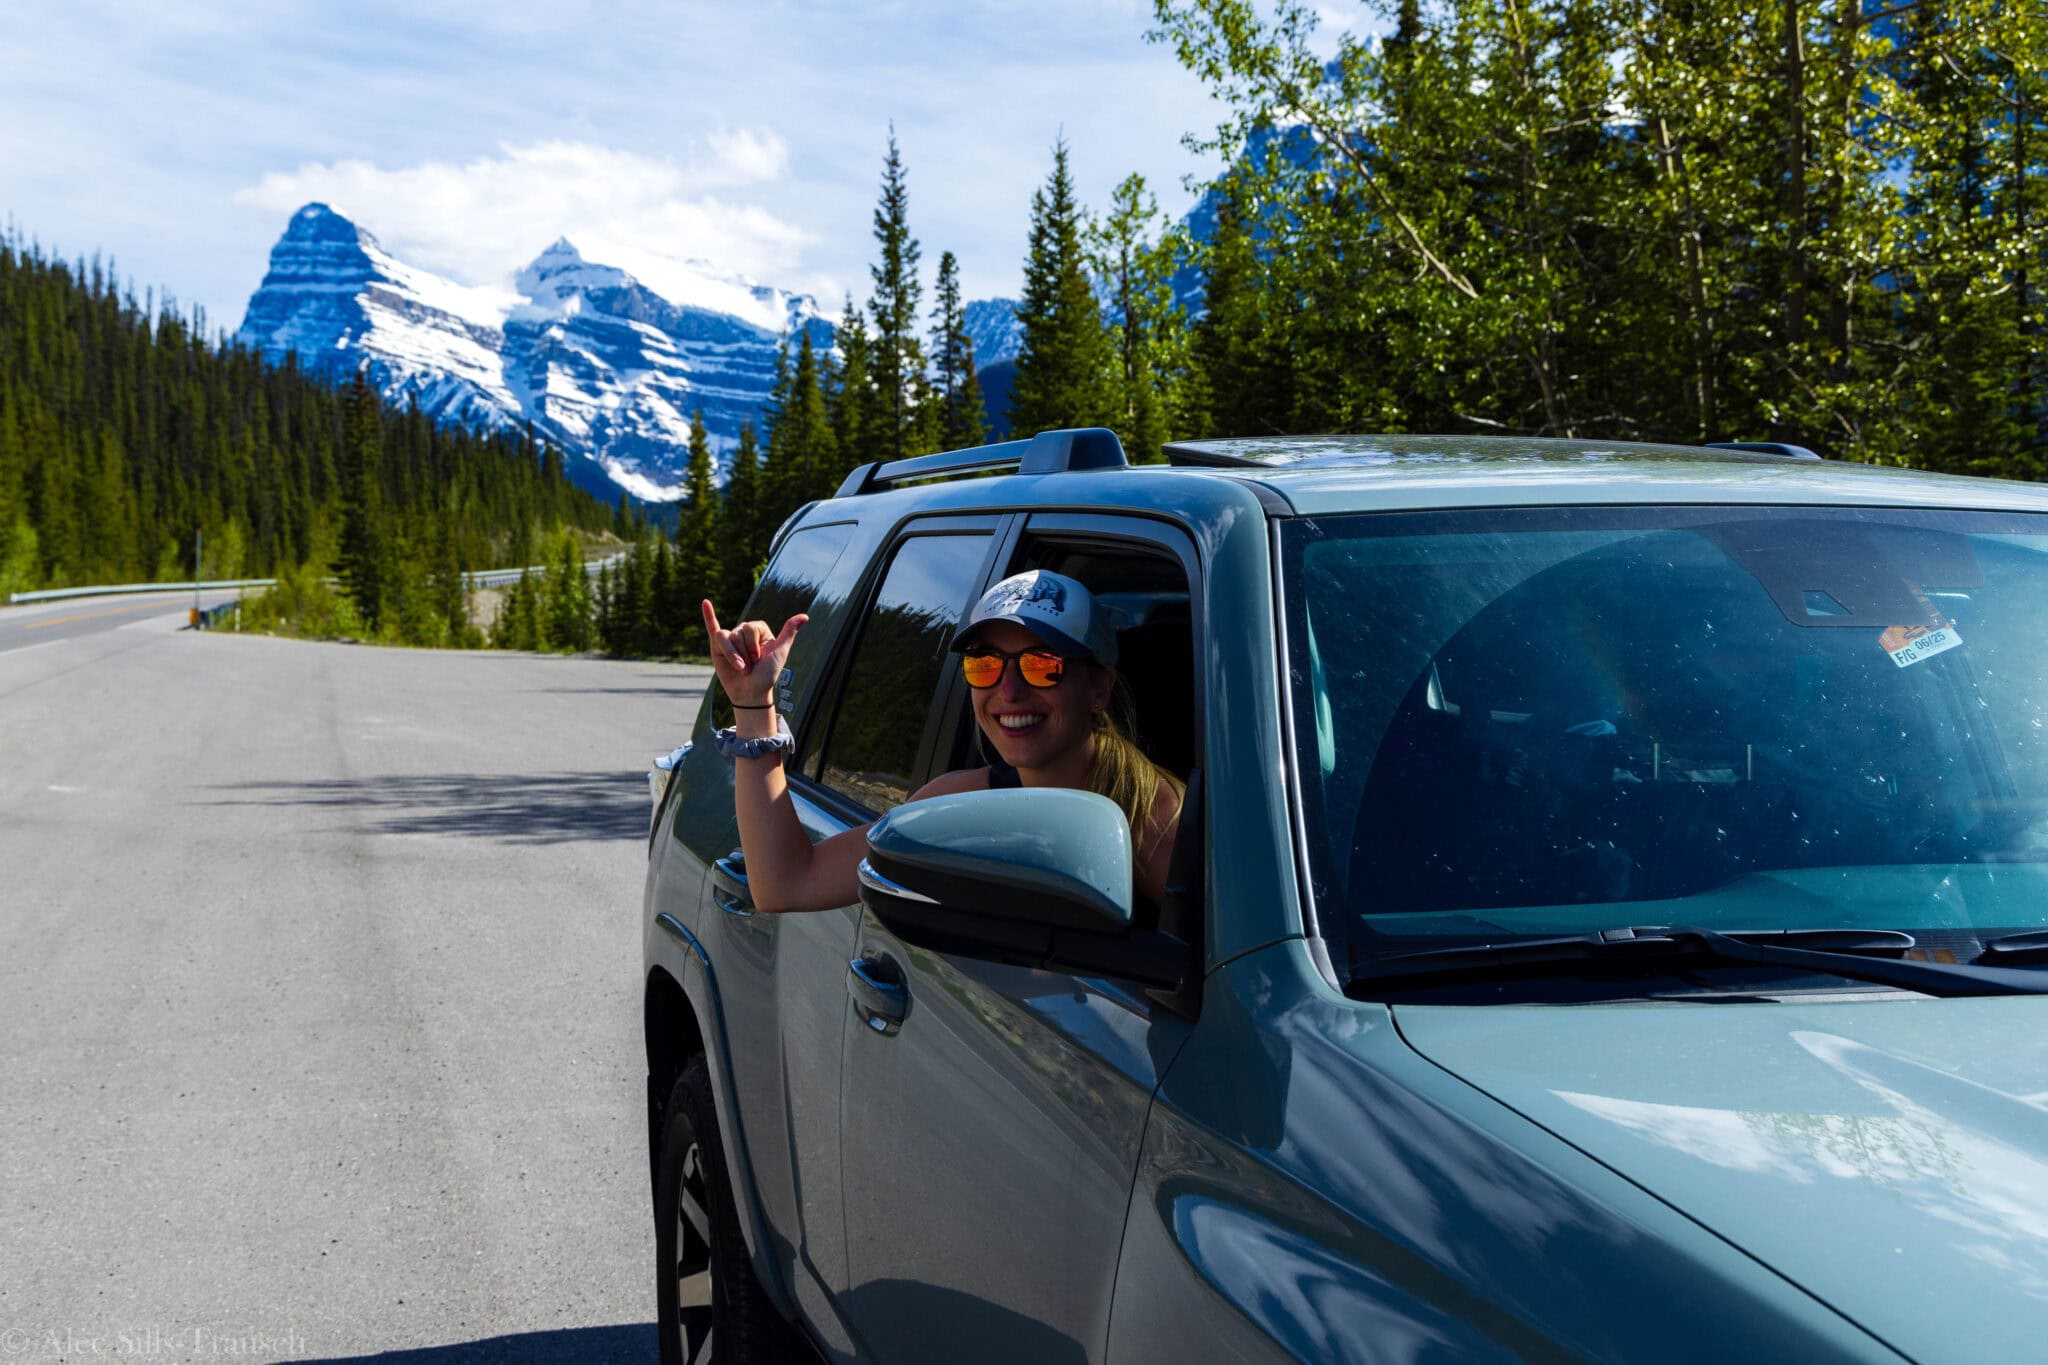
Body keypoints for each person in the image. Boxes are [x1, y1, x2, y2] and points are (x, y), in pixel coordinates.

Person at [700, 569, 1185, 915]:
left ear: (1098, 688)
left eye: (1043, 664)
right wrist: (752, 705)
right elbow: (788, 883)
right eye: (985, 664)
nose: (1009, 691)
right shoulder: (959, 803)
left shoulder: (1158, 822)